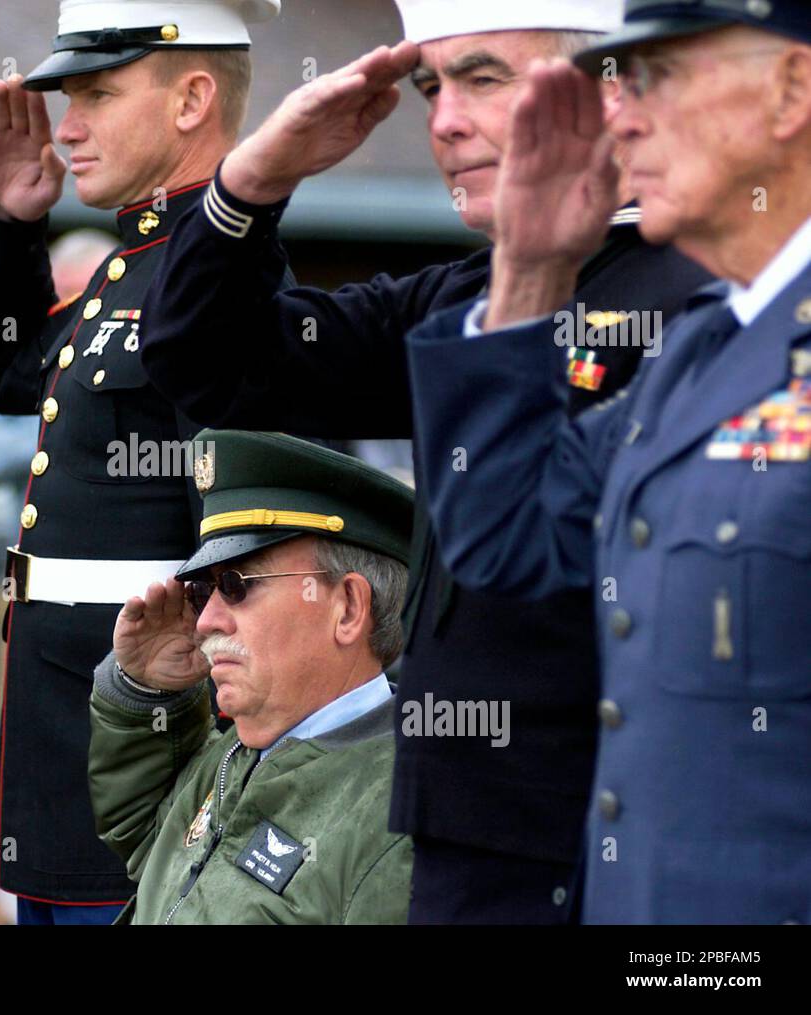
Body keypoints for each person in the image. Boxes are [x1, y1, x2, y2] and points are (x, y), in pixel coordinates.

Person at [133, 0, 715, 923]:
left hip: (620, 852)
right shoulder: (464, 297)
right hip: (466, 843)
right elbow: (208, 363)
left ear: (617, 92)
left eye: (485, 79)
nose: (443, 120)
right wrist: (251, 182)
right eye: (430, 87)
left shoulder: (705, 302)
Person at [403, 1, 811, 924]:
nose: (619, 114)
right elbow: (506, 538)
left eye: (659, 76)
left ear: (790, 90)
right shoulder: (709, 349)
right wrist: (531, 272)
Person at [0, 0, 283, 924]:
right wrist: (7, 224)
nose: (68, 127)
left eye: (96, 94)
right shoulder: (134, 264)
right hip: (64, 730)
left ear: (191, 99)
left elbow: (258, 542)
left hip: (155, 732)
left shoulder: (215, 273)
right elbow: (19, 377)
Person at [89, 429, 414, 923]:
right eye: (204, 590)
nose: (205, 622)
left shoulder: (401, 817)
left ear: (348, 608)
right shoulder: (244, 747)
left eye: (237, 585)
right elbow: (153, 848)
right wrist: (148, 693)